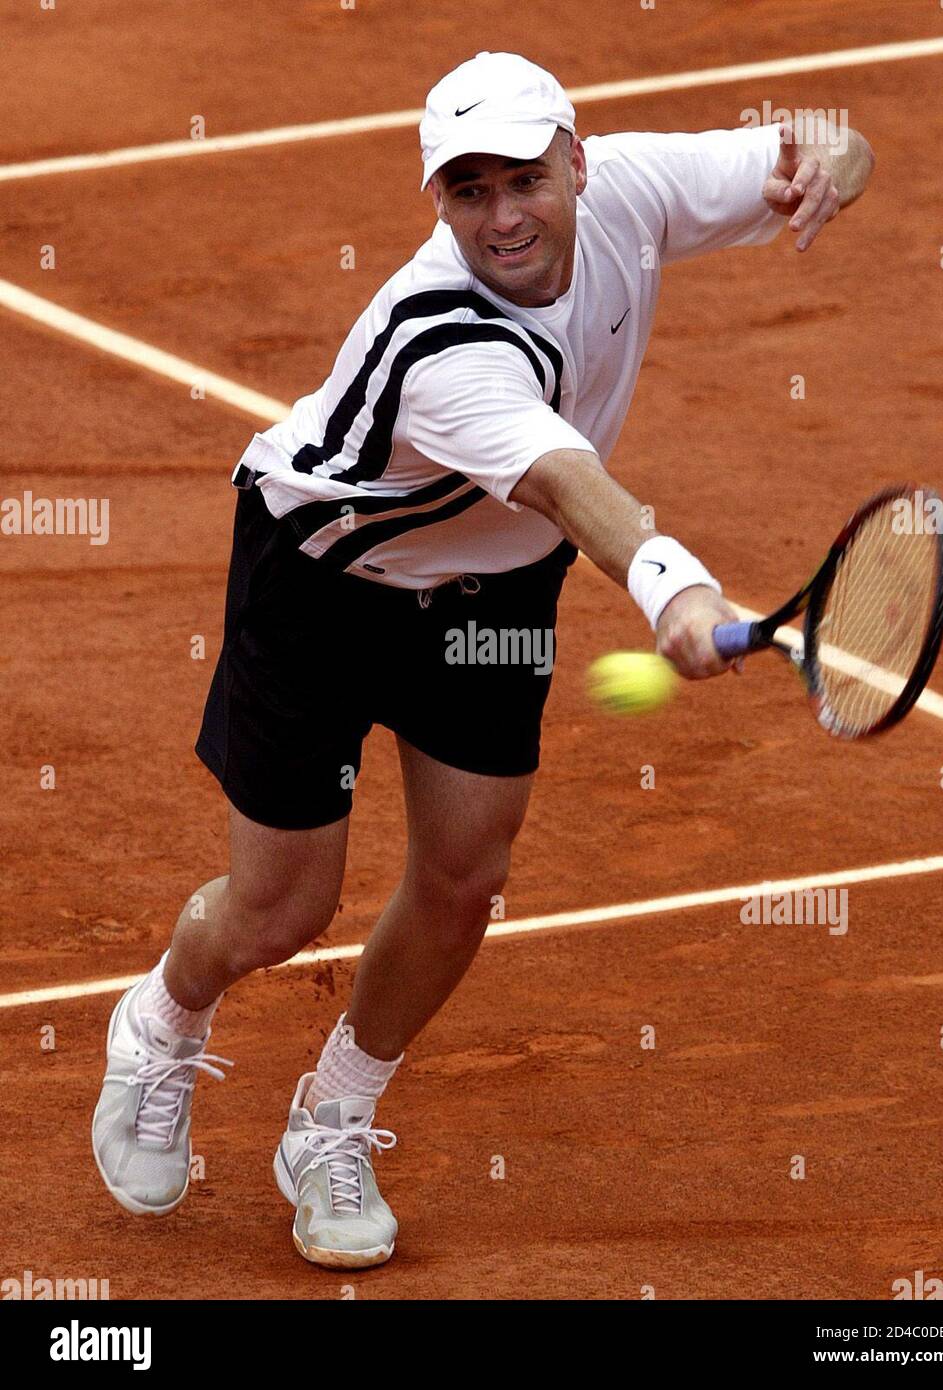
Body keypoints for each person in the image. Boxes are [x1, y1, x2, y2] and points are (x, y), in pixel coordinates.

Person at [92, 51, 874, 1269]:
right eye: (466, 191)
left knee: (465, 877)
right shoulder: (438, 338)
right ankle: (161, 1021)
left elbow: (809, 137)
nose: (502, 215)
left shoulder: (630, 189)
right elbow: (570, 482)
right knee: (281, 905)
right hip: (322, 586)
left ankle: (334, 1117)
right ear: (439, 203)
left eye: (523, 177)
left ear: (575, 158)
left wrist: (834, 158)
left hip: (491, 591)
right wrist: (674, 588)